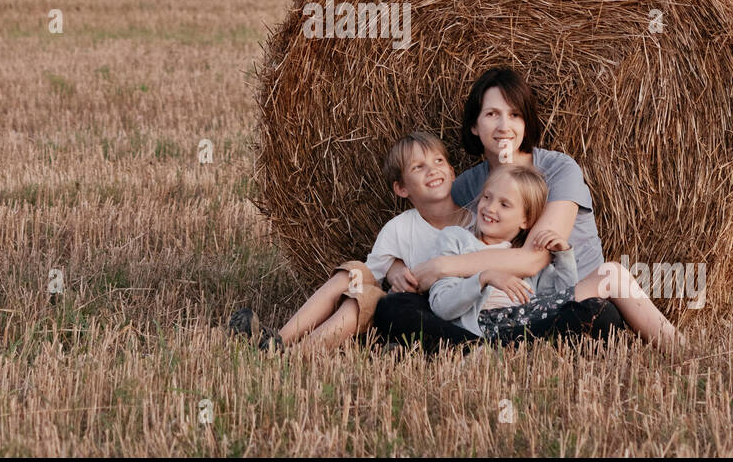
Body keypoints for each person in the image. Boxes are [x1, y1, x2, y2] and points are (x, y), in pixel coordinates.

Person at [374, 66, 681, 351]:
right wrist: (395, 267)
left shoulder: (559, 169)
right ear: (474, 126)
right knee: (393, 308)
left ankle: (681, 349)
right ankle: (481, 348)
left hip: (568, 300)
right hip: (490, 313)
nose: (504, 126)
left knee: (599, 316)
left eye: (515, 115)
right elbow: (430, 224)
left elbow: (534, 259)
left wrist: (442, 267)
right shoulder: (466, 185)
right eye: (492, 114)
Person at [228, 131, 471, 349]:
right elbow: (371, 274)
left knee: (364, 299)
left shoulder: (476, 223)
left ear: (452, 172)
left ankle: (295, 357)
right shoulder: (400, 228)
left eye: (439, 161)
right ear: (401, 189)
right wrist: (393, 270)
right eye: (418, 167)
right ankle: (279, 340)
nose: (432, 170)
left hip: (431, 318)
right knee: (354, 274)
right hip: (395, 308)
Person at [428, 164, 622, 347]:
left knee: (601, 311)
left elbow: (559, 299)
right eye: (487, 197)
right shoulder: (455, 238)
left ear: (526, 220)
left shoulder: (528, 257)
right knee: (605, 287)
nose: (490, 207)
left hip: (528, 324)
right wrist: (483, 278)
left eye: (504, 204)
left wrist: (563, 257)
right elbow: (441, 306)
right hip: (488, 327)